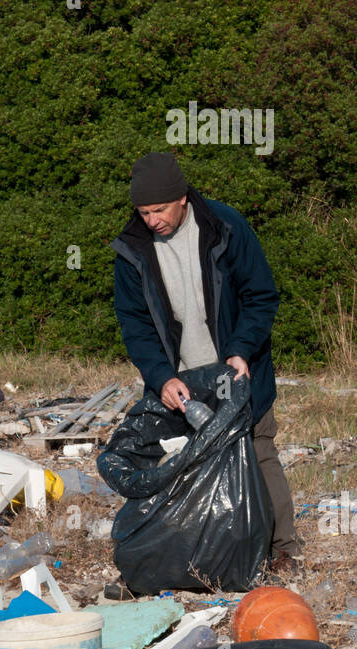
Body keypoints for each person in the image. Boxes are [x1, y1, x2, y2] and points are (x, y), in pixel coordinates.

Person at [111, 151, 300, 593]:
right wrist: (160, 377)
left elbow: (261, 296)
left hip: (237, 371)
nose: (152, 219)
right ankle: (196, 556)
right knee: (179, 466)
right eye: (143, 212)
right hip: (180, 383)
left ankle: (283, 549)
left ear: (182, 199)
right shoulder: (131, 249)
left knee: (258, 452)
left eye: (159, 210)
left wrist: (241, 352)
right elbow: (134, 324)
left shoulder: (226, 227)